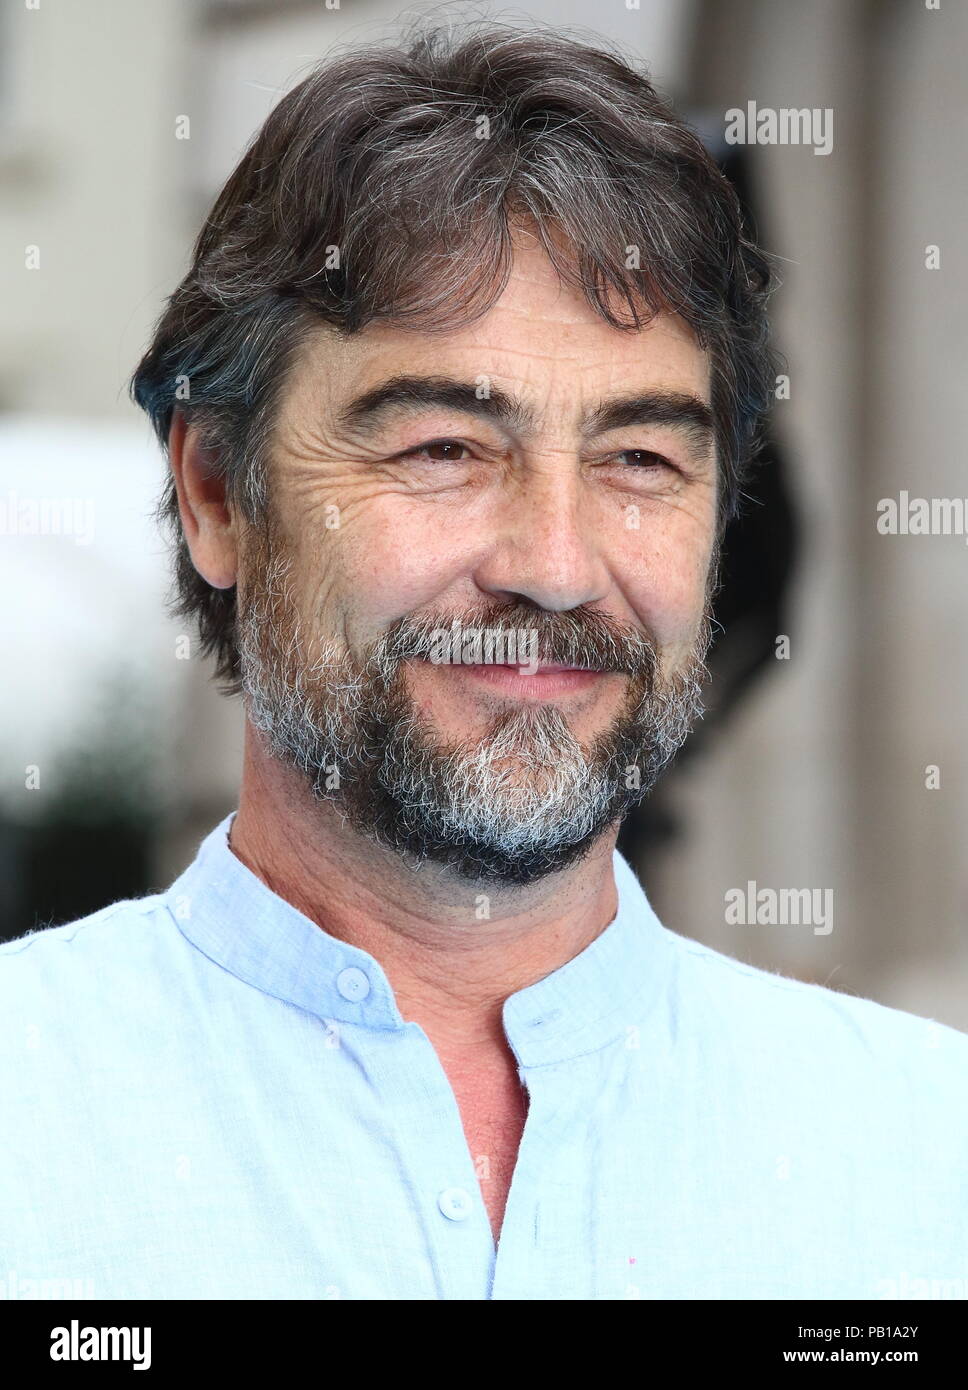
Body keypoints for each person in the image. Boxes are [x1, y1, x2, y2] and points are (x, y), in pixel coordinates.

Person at [2, 21, 965, 1302]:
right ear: (216, 493)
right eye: (445, 448)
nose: (556, 563)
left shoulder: (921, 1159)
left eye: (639, 459)